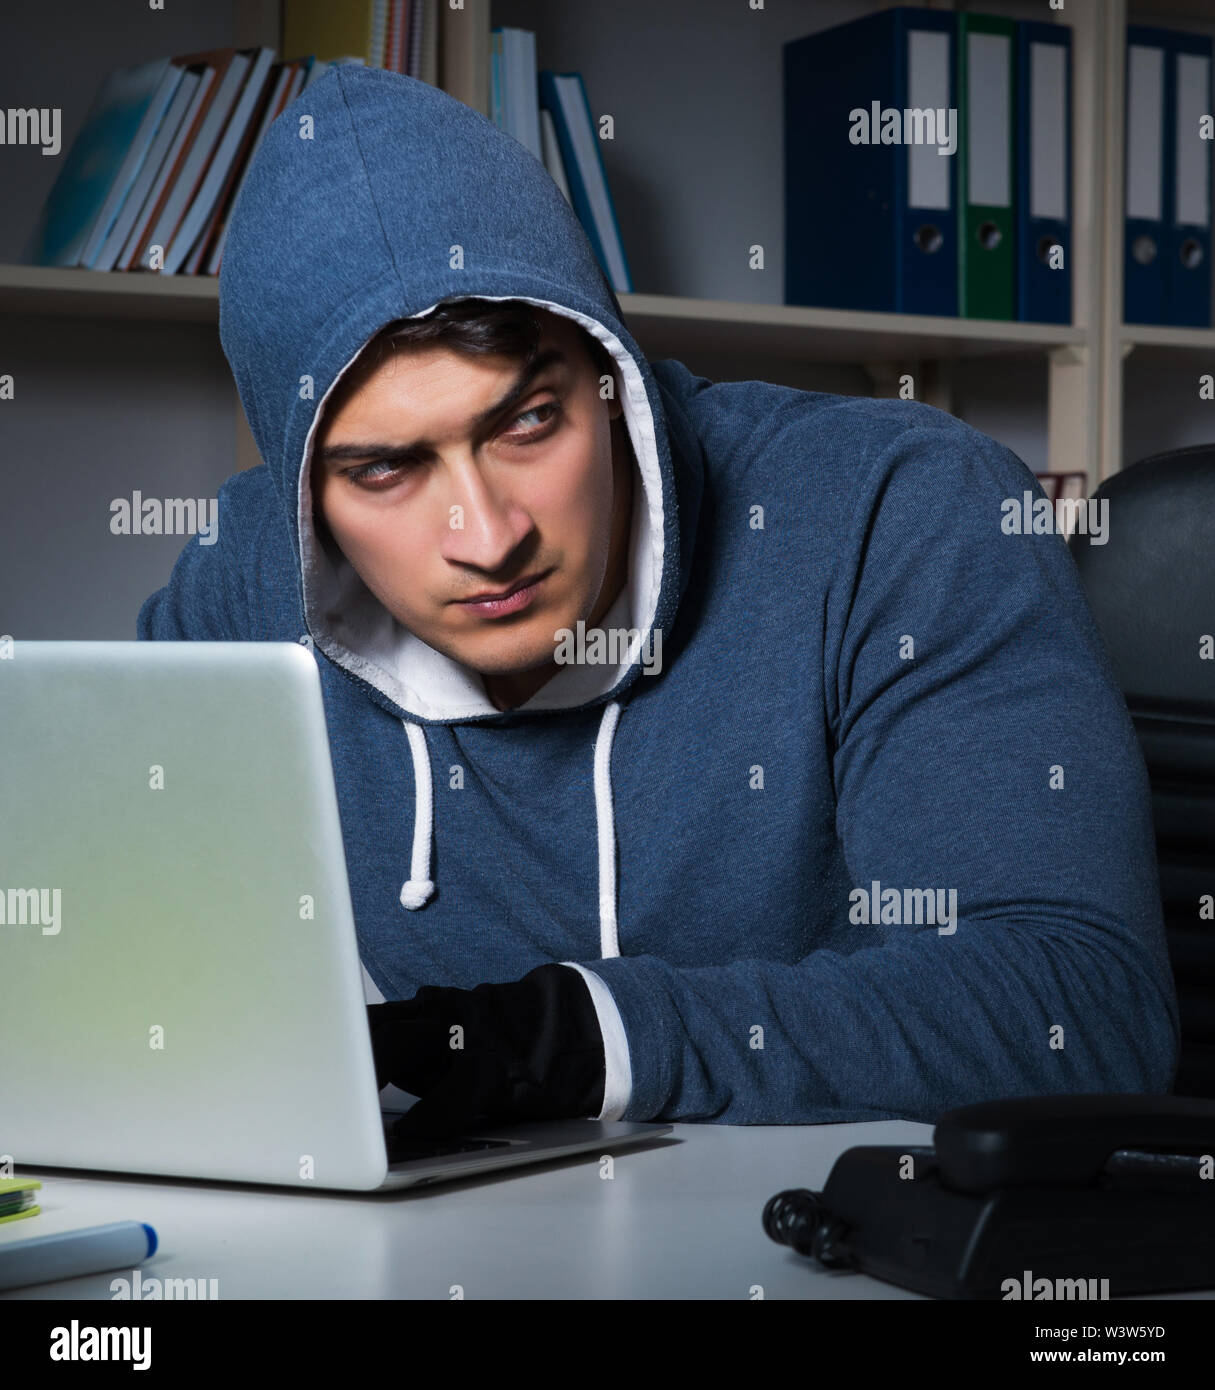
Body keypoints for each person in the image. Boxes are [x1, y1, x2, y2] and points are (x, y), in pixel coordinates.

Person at [138, 65, 1178, 1137]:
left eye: (529, 422)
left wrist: (585, 1036)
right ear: (302, 495)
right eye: (387, 471)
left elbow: (1083, 1007)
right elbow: (107, 965)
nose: (490, 537)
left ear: (611, 371)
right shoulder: (246, 583)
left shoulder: (895, 511)